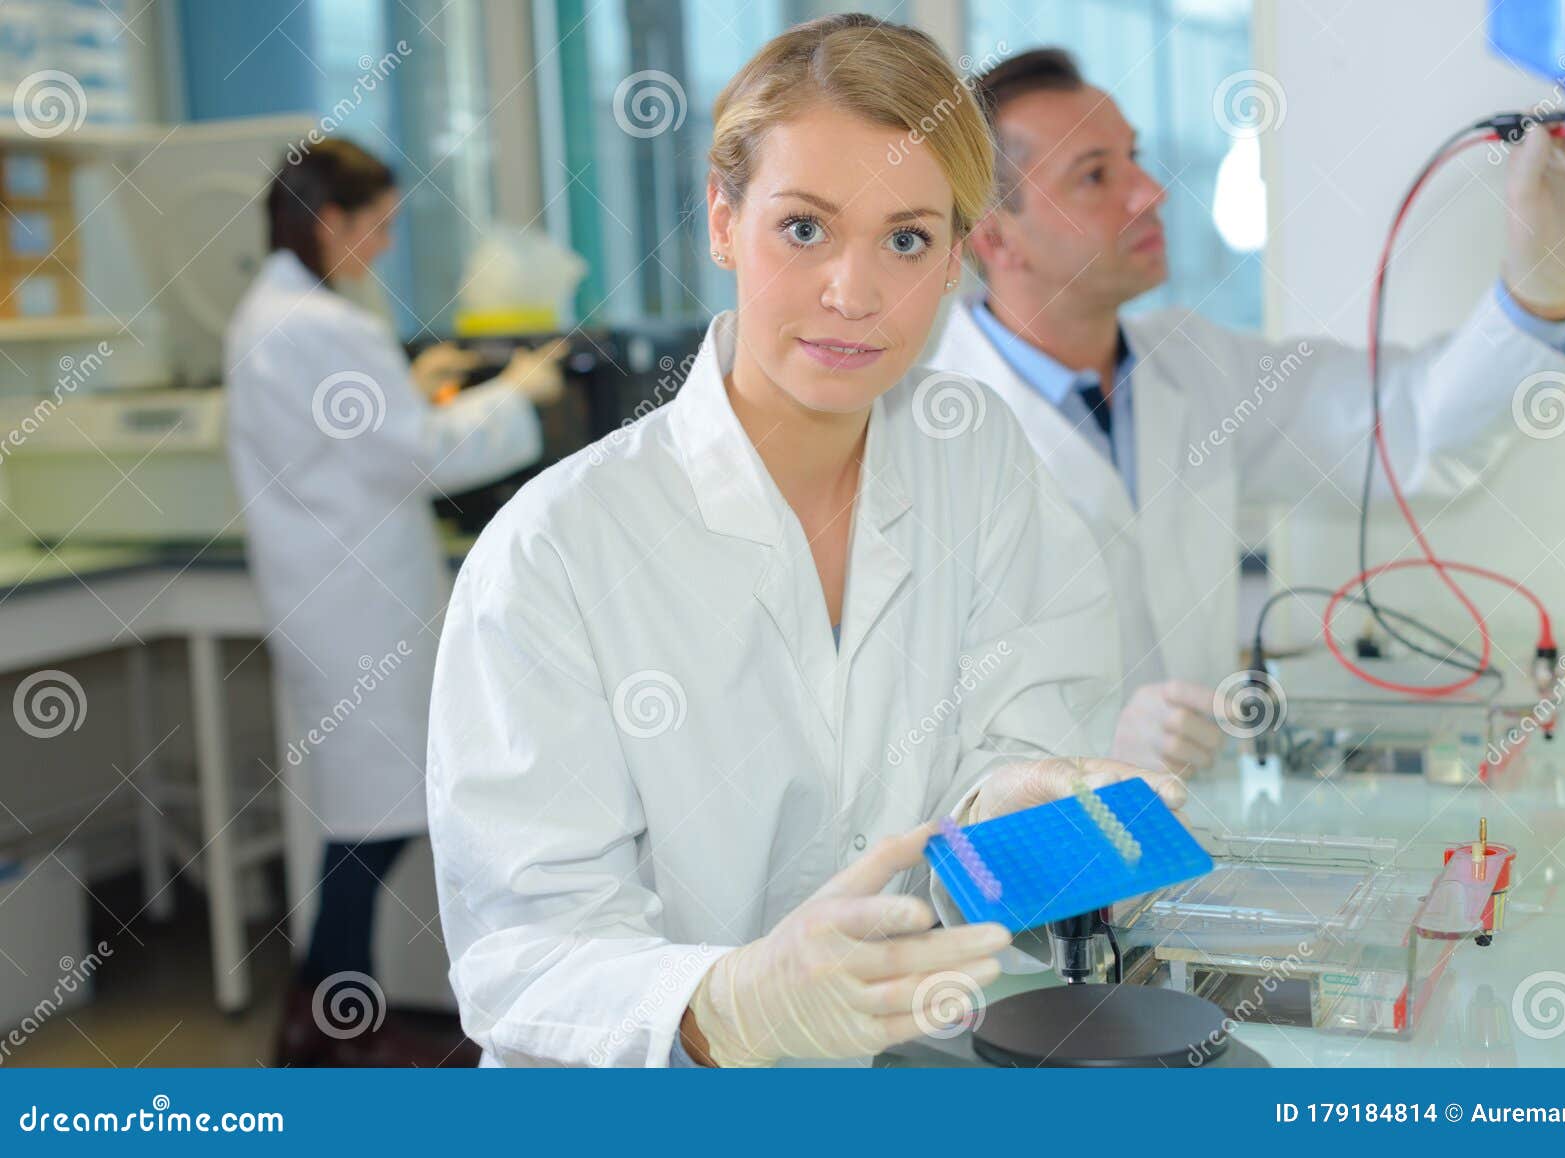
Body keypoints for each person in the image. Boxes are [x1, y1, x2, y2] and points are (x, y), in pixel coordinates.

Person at [426, 14, 1182, 1069]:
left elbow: (1012, 741)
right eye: (804, 228)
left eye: (906, 239)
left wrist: (1017, 799)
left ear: (959, 254)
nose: (853, 293)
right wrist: (727, 1000)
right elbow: (521, 956)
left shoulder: (978, 462)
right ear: (724, 220)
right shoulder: (557, 551)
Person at [928, 49, 1565, 778]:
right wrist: (1078, 760)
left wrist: (1543, 271)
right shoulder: (927, 434)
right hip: (1030, 873)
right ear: (994, 236)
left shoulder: (1194, 368)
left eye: (1136, 159)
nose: (1150, 192)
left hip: (1193, 840)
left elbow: (1406, 432)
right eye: (1096, 176)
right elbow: (911, 738)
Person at [224, 138, 568, 1066]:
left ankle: (326, 1011)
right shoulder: (321, 328)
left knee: (375, 815)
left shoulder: (280, 314)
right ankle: (328, 1018)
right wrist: (518, 391)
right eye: (377, 226)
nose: (381, 246)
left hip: (335, 595)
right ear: (331, 219)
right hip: (356, 607)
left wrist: (406, 391)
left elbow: (357, 435)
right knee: (379, 821)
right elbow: (420, 456)